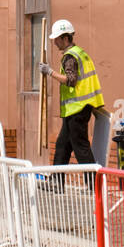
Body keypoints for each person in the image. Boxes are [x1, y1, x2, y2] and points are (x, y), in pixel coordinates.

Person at [39, 18, 104, 171]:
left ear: (65, 38)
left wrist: (50, 72)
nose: (55, 42)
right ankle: (56, 181)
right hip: (78, 109)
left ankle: (93, 183)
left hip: (77, 109)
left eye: (57, 39)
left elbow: (71, 80)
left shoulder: (70, 56)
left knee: (81, 147)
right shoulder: (80, 53)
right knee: (63, 145)